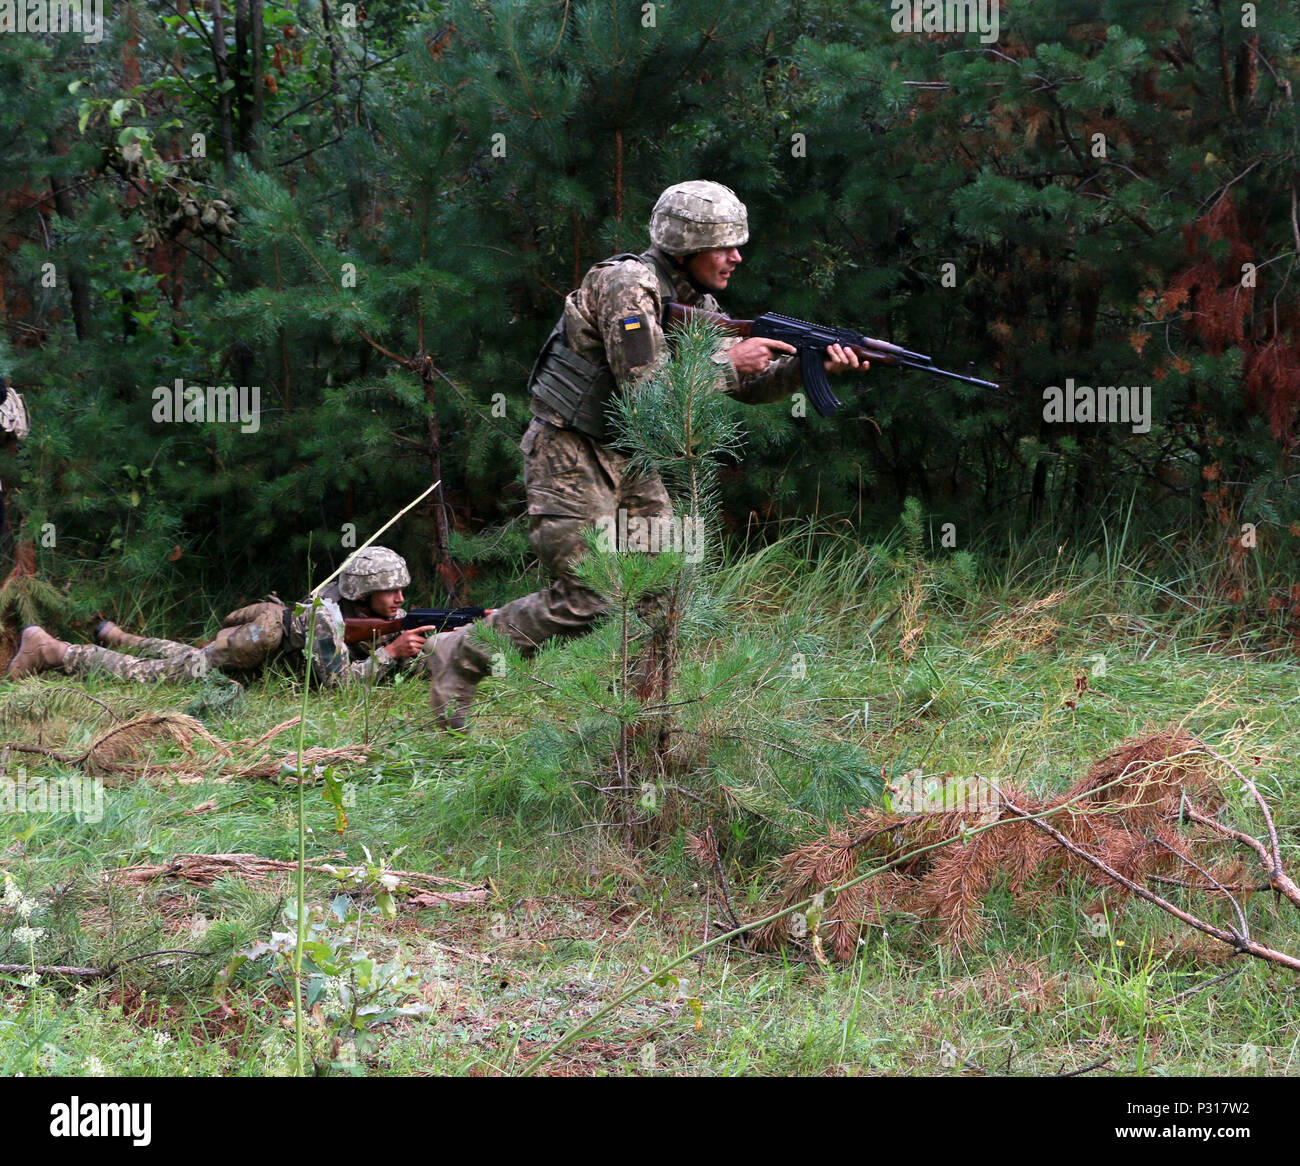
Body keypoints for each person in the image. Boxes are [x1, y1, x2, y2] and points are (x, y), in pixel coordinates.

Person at [426, 180, 865, 729]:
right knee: (588, 597)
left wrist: (808, 369)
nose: (737, 256)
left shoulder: (696, 303)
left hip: (631, 459)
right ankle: (460, 654)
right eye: (724, 244)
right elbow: (649, 391)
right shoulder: (628, 286)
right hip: (569, 453)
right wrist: (732, 361)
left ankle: (642, 725)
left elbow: (745, 388)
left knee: (662, 588)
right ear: (686, 244)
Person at [6, 546, 434, 686]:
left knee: (184, 658)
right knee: (155, 675)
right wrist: (392, 654)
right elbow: (341, 684)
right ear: (363, 592)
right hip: (250, 645)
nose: (399, 598)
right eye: (390, 590)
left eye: (400, 590)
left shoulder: (354, 609)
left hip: (257, 646)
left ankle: (120, 636)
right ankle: (51, 649)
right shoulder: (327, 615)